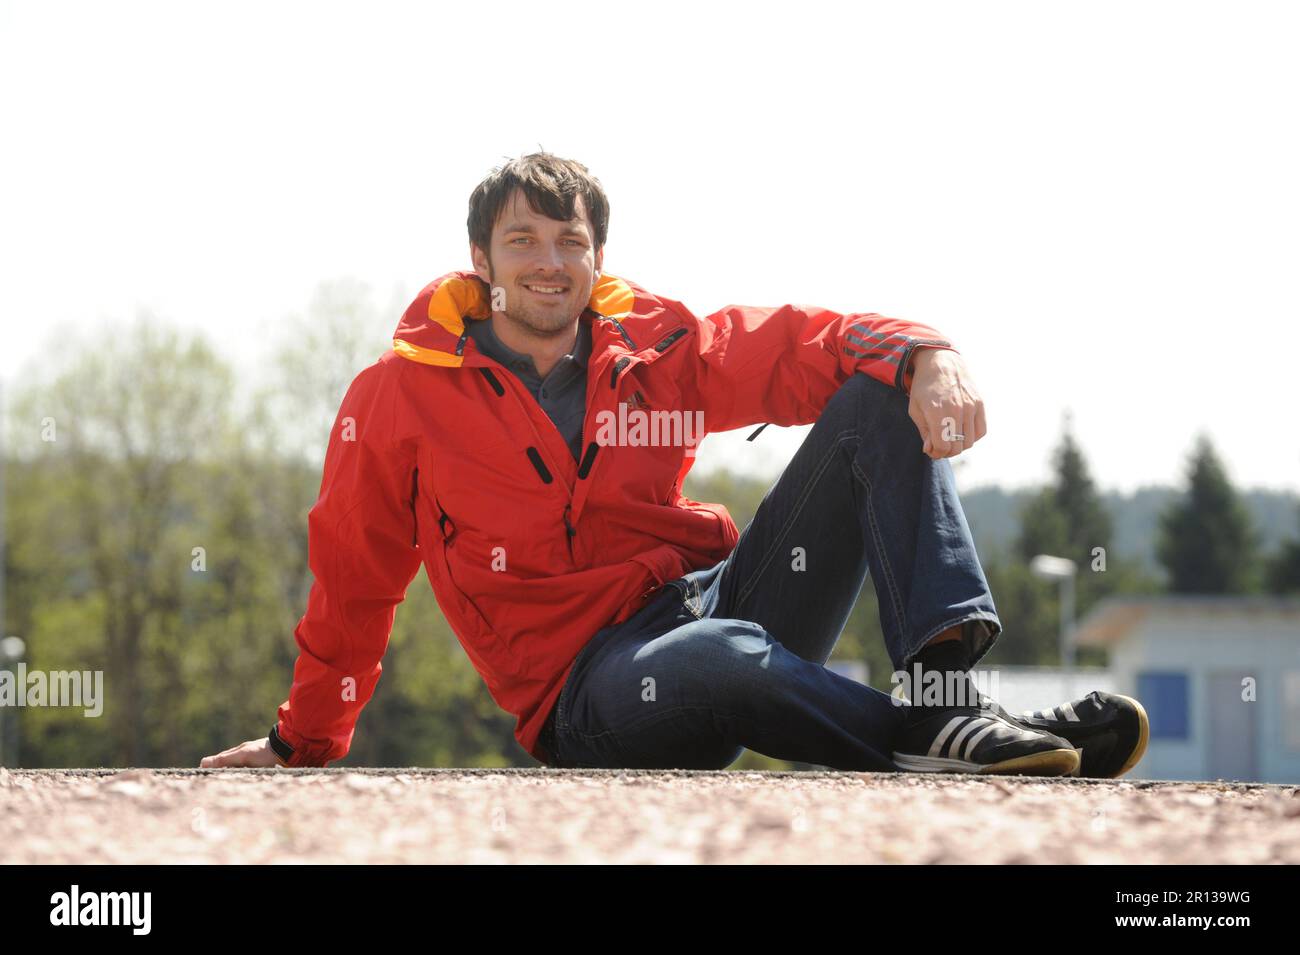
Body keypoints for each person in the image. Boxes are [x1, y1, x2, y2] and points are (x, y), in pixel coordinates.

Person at [201, 152, 1148, 777]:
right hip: (586, 693)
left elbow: (796, 348)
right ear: (480, 258)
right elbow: (354, 576)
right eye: (522, 239)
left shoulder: (655, 352)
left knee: (872, 395)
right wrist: (304, 741)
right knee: (715, 655)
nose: (547, 260)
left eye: (569, 241)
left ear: (597, 256)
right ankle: (930, 743)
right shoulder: (403, 394)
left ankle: (946, 703)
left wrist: (925, 354)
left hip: (710, 601)